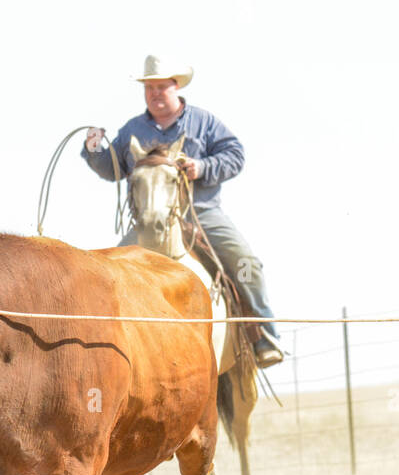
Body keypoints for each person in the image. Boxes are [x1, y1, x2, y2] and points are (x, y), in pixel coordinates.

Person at [82, 54, 283, 368]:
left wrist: (202, 167)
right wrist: (93, 149)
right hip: (149, 221)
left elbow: (235, 155)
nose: (156, 93)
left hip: (201, 213)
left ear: (176, 87)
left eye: (162, 86)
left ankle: (264, 336)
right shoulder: (132, 129)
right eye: (150, 87)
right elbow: (113, 168)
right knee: (108, 274)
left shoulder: (204, 123)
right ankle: (100, 348)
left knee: (245, 264)